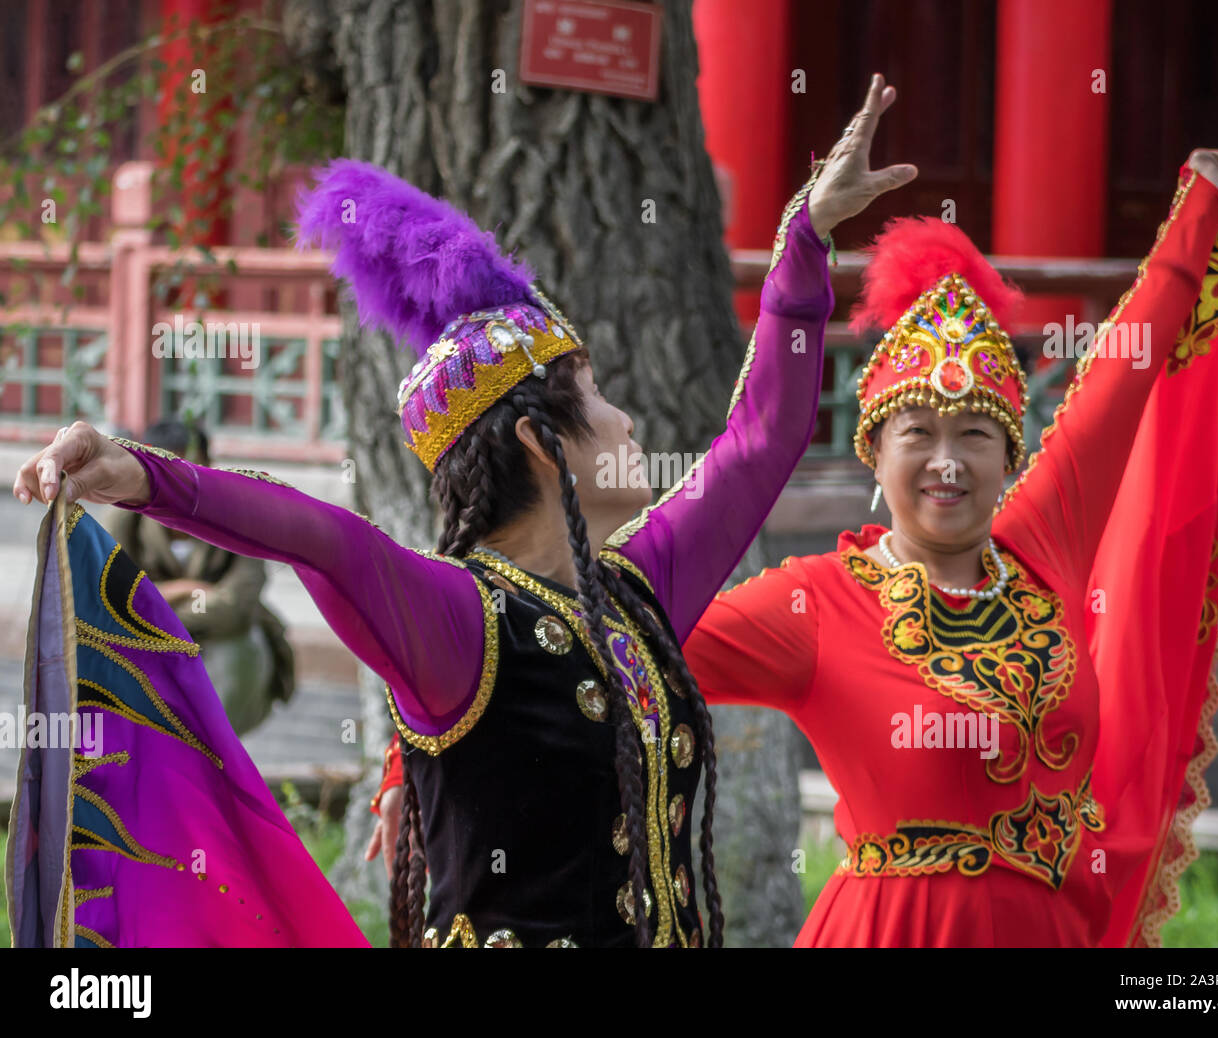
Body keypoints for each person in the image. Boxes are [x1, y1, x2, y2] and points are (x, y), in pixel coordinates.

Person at [13, 74, 917, 947]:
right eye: (598, 398)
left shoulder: (638, 597)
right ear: (539, 441)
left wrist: (805, 236)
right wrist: (140, 476)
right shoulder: (463, 625)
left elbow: (759, 443)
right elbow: (323, 540)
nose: (628, 419)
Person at [675, 146, 1218, 947]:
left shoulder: (1041, 549)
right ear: (874, 454)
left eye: (975, 436)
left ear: (1009, 458)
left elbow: (1117, 384)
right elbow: (642, 638)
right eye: (918, 434)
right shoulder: (814, 604)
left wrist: (1199, 212)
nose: (947, 462)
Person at [101, 417, 296, 735]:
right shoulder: (123, 522)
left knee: (241, 652)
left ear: (208, 467)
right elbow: (110, 599)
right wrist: (187, 589)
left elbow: (237, 606)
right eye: (165, 473)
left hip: (220, 640)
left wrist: (154, 603)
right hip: (148, 646)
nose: (178, 485)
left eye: (190, 470)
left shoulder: (240, 519)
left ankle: (217, 754)